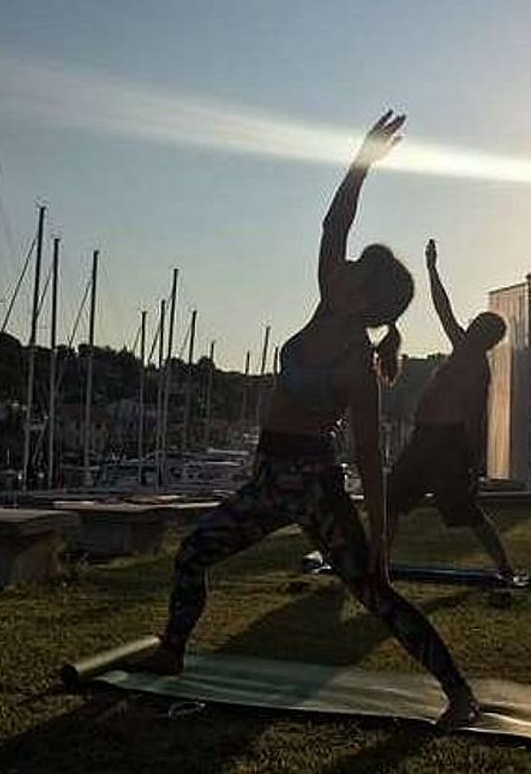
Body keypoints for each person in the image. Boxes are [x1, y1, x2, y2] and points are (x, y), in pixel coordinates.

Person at [136, 112, 480, 728]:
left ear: (368, 299)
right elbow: (333, 223)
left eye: (355, 271)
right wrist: (362, 160)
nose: (340, 267)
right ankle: (171, 649)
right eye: (347, 266)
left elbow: (370, 457)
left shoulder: (359, 366)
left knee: (372, 591)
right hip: (269, 478)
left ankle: (458, 691)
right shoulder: (326, 303)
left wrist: (379, 537)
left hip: (313, 483)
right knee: (192, 553)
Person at [384, 239, 514, 579]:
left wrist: (472, 461)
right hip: (424, 438)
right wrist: (431, 268)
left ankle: (505, 568)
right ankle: (378, 563)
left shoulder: (476, 365)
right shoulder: (462, 346)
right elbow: (443, 308)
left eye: (475, 326)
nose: (467, 326)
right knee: (392, 500)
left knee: (466, 512)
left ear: (484, 336)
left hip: (447, 443)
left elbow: (474, 416)